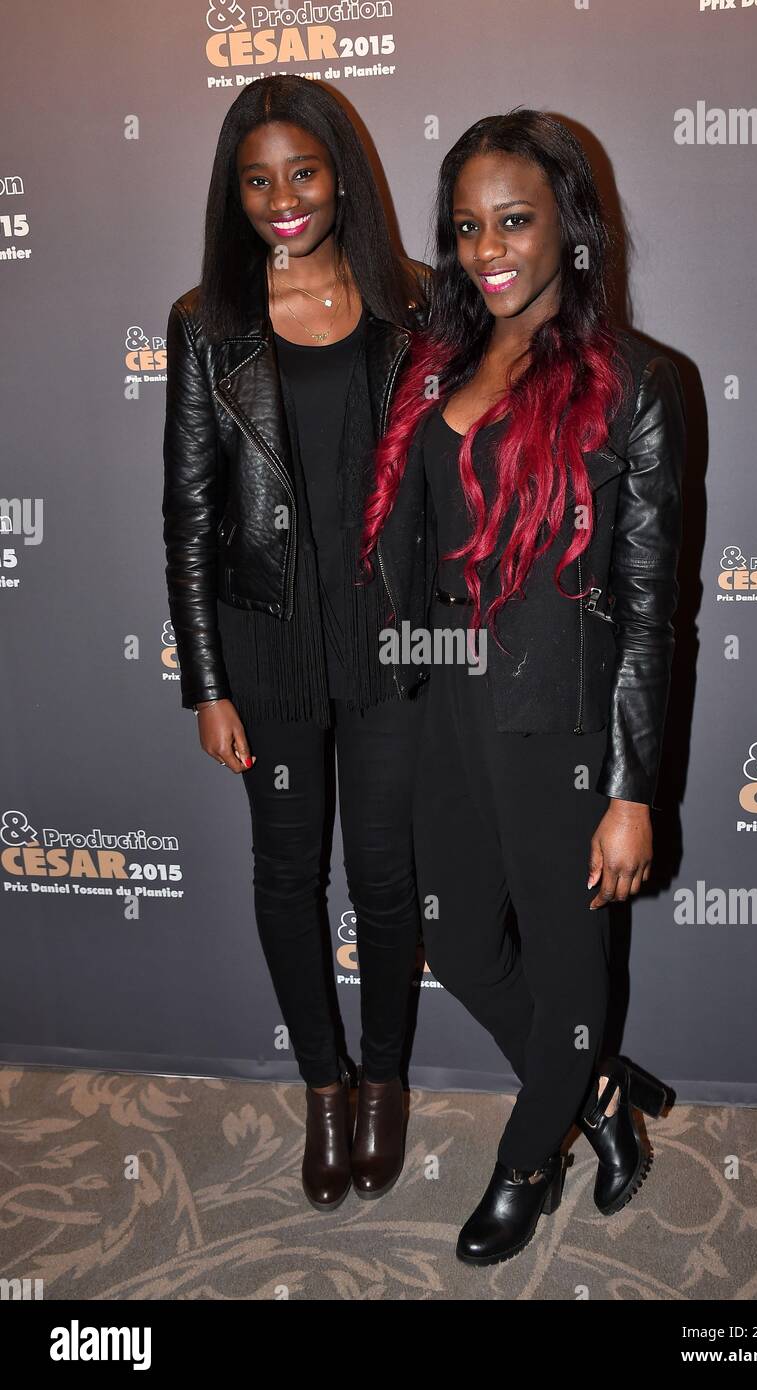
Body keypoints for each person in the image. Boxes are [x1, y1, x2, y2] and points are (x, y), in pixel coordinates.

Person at [360, 109, 685, 1264]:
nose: (486, 248)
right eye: (465, 227)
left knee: (564, 960)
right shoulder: (438, 359)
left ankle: (525, 1159)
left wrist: (632, 789)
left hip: (561, 724)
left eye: (513, 221)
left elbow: (650, 608)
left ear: (570, 231)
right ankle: (597, 1085)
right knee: (452, 937)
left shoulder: (634, 385)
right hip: (444, 698)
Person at [162, 74, 432, 1213]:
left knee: (381, 876)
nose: (283, 198)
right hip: (264, 648)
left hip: (381, 645)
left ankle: (382, 1087)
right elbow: (186, 510)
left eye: (303, 173)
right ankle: (320, 1091)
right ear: (237, 192)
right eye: (258, 179)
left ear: (341, 177)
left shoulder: (411, 305)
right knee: (287, 873)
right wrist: (204, 684)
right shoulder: (207, 325)